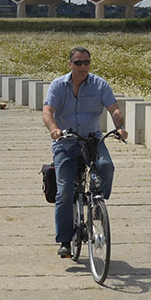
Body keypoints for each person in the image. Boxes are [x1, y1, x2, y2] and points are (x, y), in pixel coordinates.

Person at [41, 46, 127, 258]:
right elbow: (47, 112)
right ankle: (64, 240)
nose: (82, 67)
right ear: (70, 64)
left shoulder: (100, 84)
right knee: (64, 192)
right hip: (66, 142)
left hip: (91, 140)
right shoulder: (58, 85)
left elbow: (114, 109)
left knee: (106, 167)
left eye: (86, 62)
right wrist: (54, 130)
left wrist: (120, 127)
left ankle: (97, 205)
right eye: (78, 63)